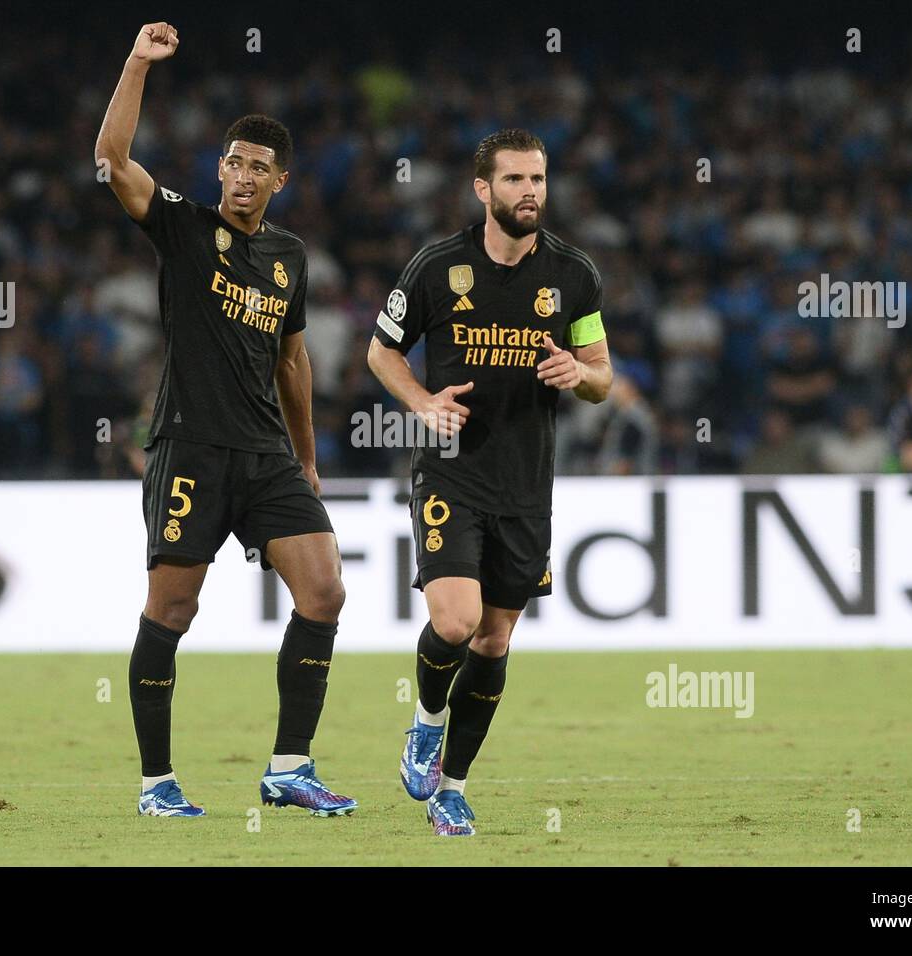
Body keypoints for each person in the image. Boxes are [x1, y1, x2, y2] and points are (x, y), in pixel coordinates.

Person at [96, 22, 354, 818]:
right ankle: (156, 783)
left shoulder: (290, 258)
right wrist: (138, 61)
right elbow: (111, 160)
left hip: (268, 454)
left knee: (324, 593)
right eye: (233, 163)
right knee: (172, 611)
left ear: (280, 180)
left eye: (258, 169)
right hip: (190, 448)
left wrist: (307, 459)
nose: (242, 178)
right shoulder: (184, 225)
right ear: (220, 169)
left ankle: (289, 767)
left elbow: (293, 363)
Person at [367, 129, 611, 836]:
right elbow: (382, 351)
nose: (529, 192)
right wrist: (420, 402)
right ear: (483, 190)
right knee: (455, 621)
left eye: (537, 179)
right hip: (453, 473)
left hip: (527, 486)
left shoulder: (575, 275)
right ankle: (425, 720)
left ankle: (453, 787)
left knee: (495, 641)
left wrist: (581, 375)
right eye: (514, 181)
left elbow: (602, 375)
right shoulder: (438, 267)